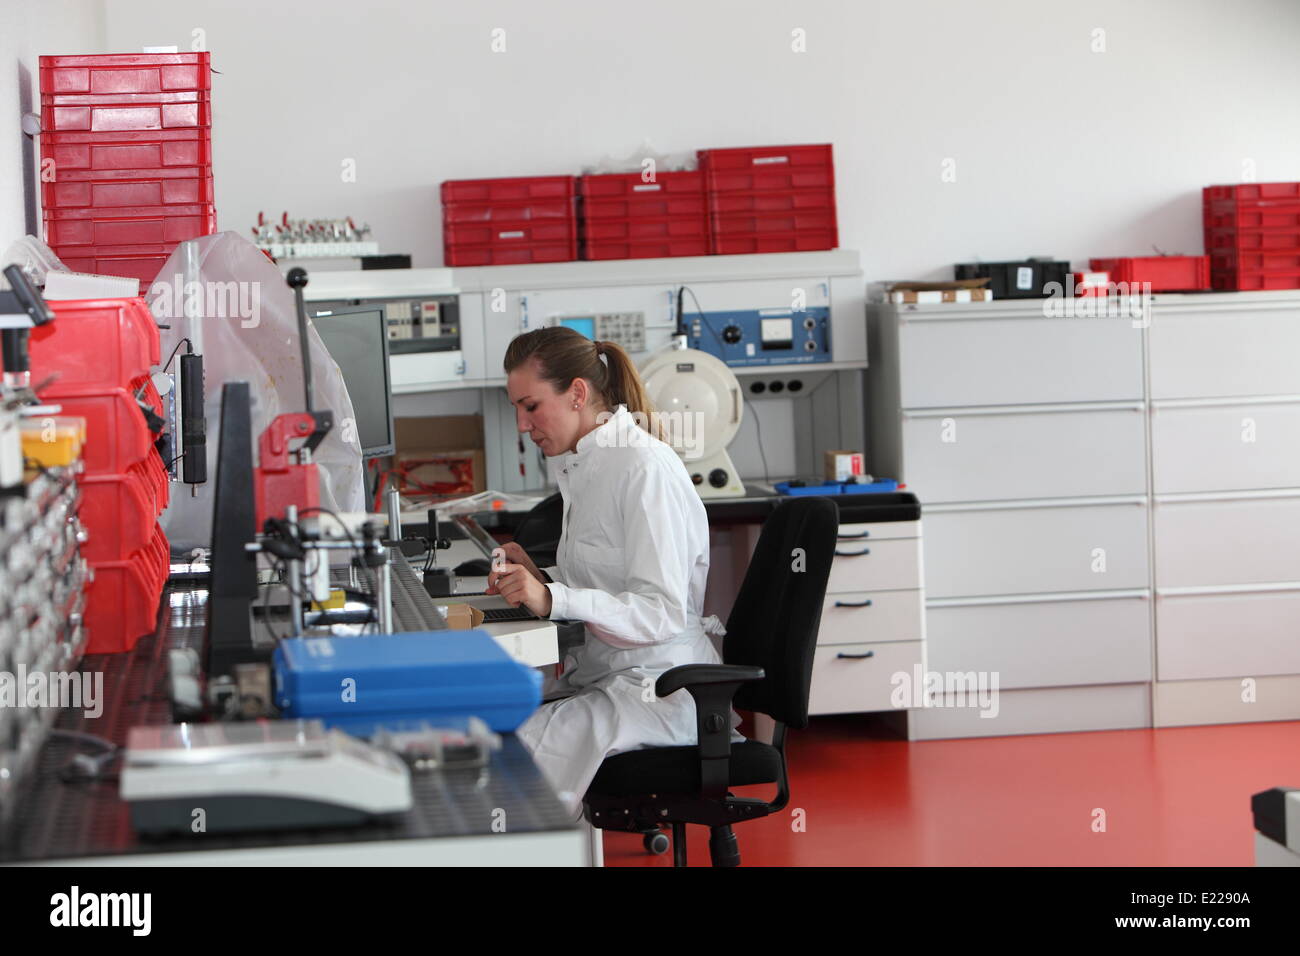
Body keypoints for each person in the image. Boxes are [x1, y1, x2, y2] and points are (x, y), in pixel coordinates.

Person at [486, 327, 738, 818]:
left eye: (531, 406)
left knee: (511, 761)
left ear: (577, 393)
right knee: (491, 731)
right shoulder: (587, 464)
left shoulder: (641, 467)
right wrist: (541, 576)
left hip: (662, 689)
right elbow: (607, 576)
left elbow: (659, 612)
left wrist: (554, 599)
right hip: (611, 679)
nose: (521, 423)